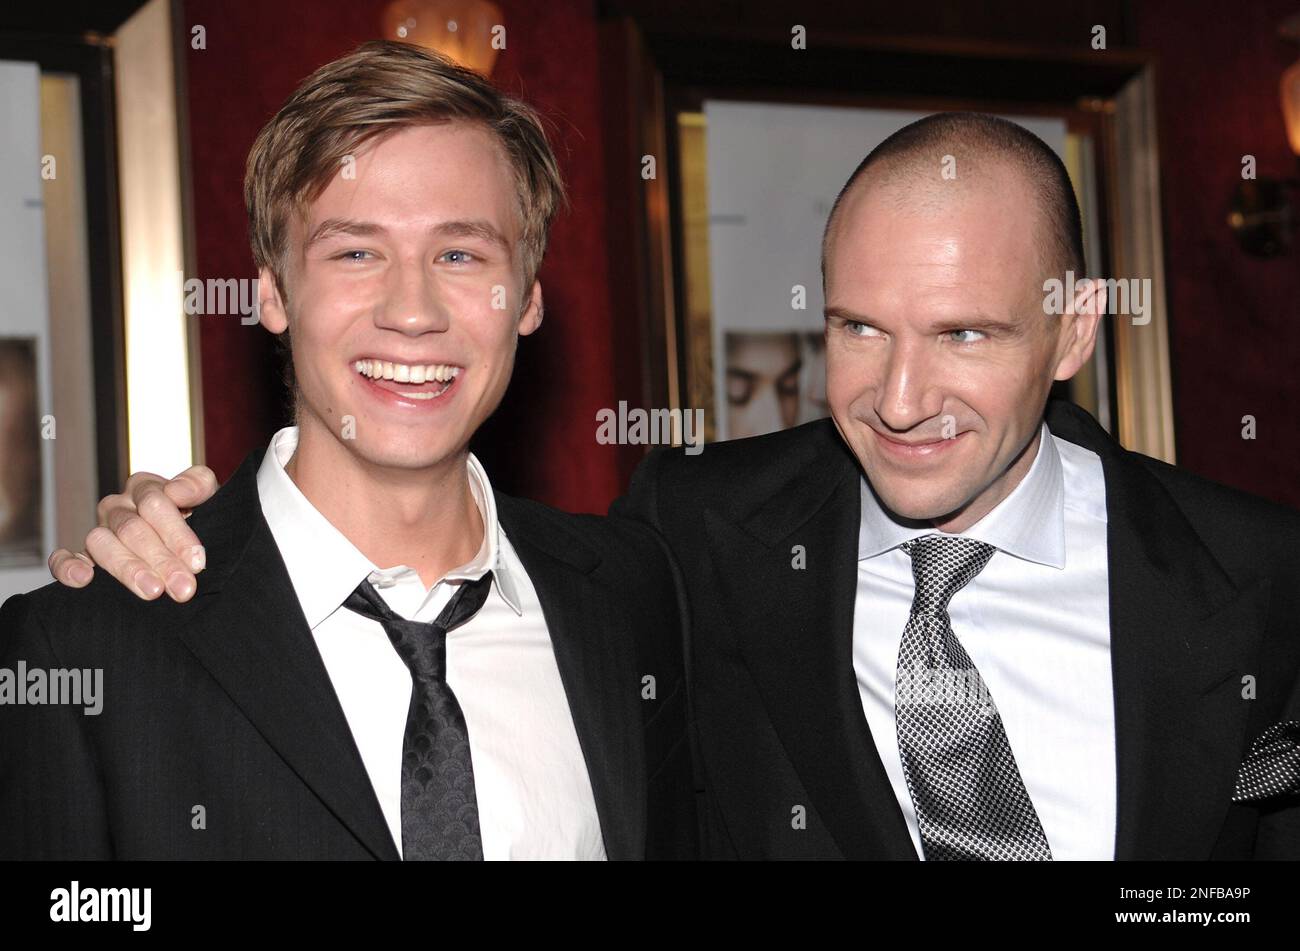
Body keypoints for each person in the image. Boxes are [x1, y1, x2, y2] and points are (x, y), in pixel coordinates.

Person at [47, 113, 1300, 860]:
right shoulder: (687, 545)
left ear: (1075, 330)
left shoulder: (1257, 582)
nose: (902, 396)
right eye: (860, 329)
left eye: (965, 334)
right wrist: (161, 534)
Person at [1, 40, 696, 860]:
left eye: (461, 253)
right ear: (272, 291)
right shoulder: (85, 650)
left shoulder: (632, 597)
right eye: (357, 252)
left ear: (529, 298)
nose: (412, 309)